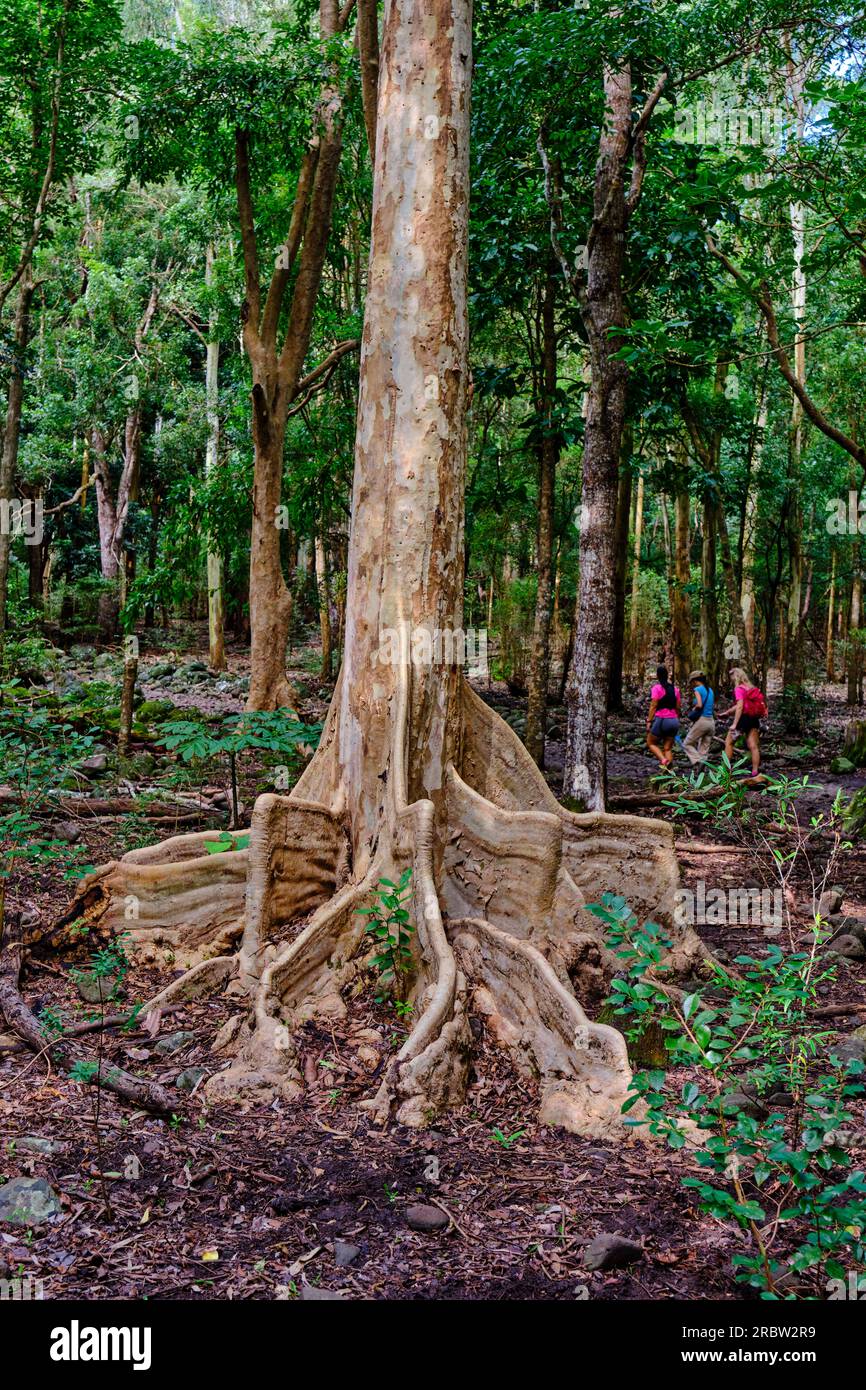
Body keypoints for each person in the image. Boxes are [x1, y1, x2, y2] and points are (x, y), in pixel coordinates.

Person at [720, 666, 767, 776]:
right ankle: (755, 771)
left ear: (735, 678)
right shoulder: (751, 688)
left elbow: (740, 706)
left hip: (743, 720)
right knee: (753, 746)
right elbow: (741, 705)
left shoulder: (739, 689)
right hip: (753, 719)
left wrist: (734, 724)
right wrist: (728, 713)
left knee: (729, 743)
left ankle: (725, 772)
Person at [646, 664, 681, 768]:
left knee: (651, 743)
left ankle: (664, 760)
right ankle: (669, 773)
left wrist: (649, 721)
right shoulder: (675, 689)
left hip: (662, 720)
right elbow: (678, 707)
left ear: (657, 676)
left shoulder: (657, 688)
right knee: (667, 748)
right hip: (674, 720)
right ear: (667, 675)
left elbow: (654, 705)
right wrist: (676, 718)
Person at [682, 669, 716, 765]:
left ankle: (698, 761)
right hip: (711, 722)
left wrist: (694, 708)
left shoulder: (697, 690)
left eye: (692, 682)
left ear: (695, 681)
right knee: (703, 748)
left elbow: (699, 705)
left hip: (703, 721)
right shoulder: (710, 690)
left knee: (686, 744)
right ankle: (701, 769)